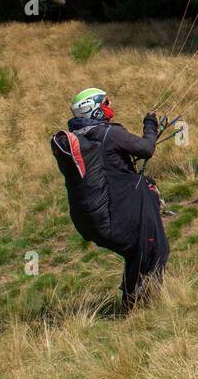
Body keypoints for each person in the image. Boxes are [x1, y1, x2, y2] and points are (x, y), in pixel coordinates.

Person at [50, 88, 170, 312]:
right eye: (105, 102)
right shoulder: (109, 134)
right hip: (117, 216)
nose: (110, 105)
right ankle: (146, 309)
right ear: (94, 109)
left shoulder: (82, 137)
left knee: (138, 252)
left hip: (96, 222)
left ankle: (130, 306)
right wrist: (150, 124)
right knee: (156, 250)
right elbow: (146, 148)